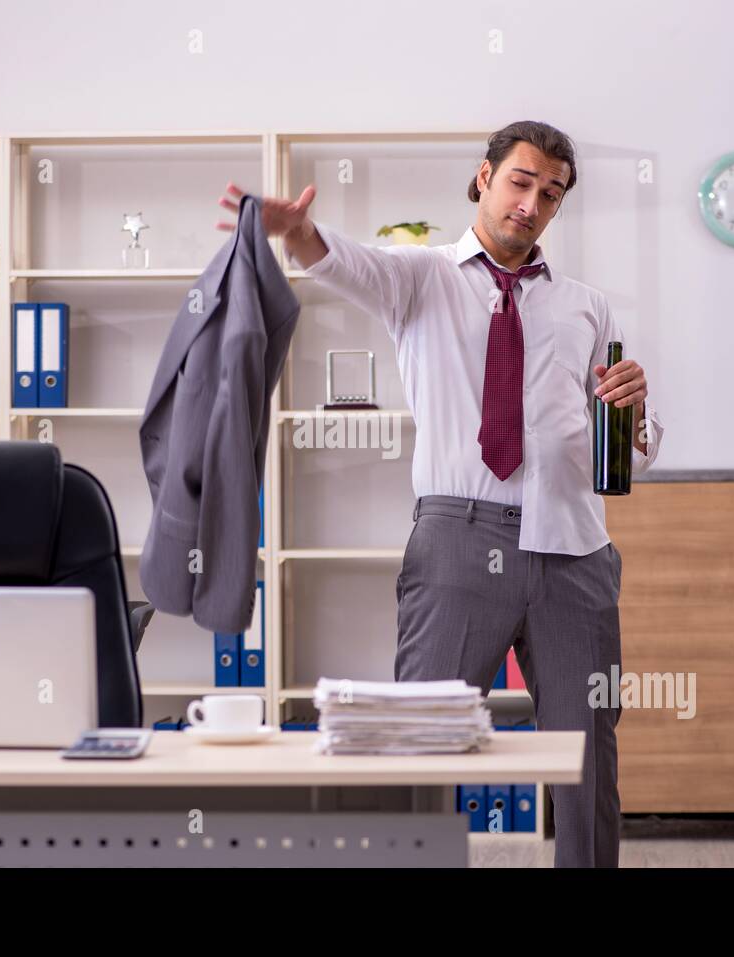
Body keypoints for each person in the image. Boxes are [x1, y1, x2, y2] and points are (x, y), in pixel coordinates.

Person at [217, 120, 665, 867]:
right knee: (418, 747)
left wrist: (636, 418)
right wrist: (298, 236)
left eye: (550, 194)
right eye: (521, 182)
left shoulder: (589, 307)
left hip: (576, 552)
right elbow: (346, 263)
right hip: (460, 541)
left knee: (588, 755)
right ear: (484, 177)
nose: (532, 203)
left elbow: (630, 458)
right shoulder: (419, 277)